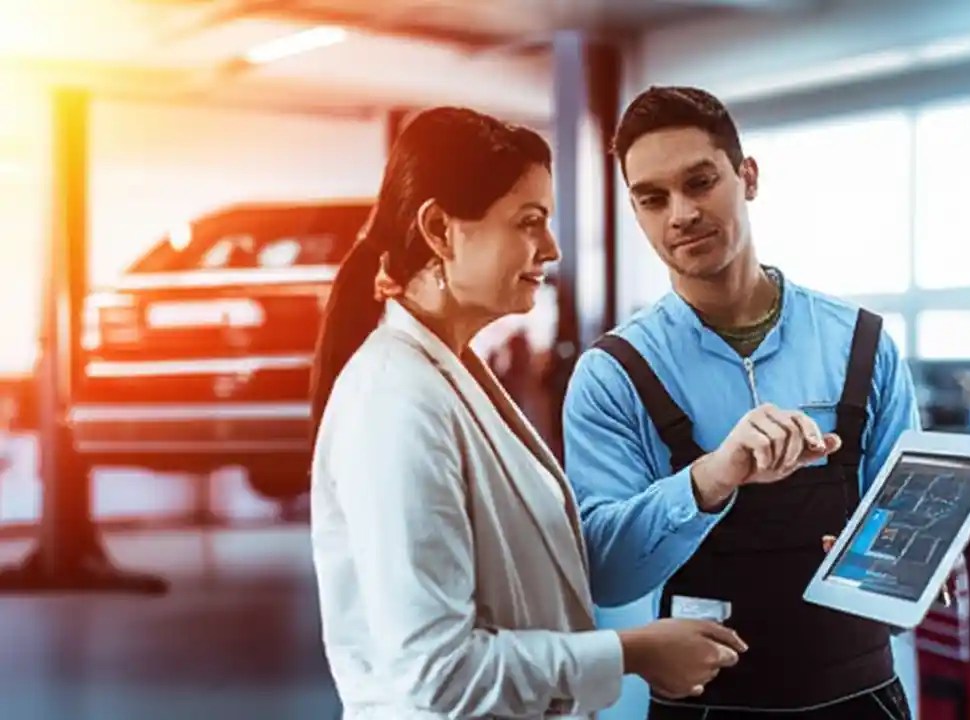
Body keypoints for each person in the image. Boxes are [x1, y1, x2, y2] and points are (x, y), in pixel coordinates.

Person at [308, 106, 747, 719]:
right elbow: (438, 673)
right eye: (529, 222)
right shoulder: (394, 402)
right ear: (439, 229)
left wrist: (708, 483)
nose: (552, 248)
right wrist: (628, 654)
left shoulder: (453, 374)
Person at [562, 87, 921, 719]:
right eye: (652, 199)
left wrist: (919, 564)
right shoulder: (613, 376)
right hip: (709, 708)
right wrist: (710, 477)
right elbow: (608, 573)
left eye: (700, 183)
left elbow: (908, 525)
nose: (680, 214)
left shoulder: (861, 345)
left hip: (862, 699)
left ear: (747, 177)